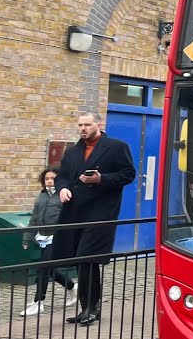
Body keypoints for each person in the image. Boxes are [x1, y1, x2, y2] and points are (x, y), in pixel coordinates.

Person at [55, 112, 136, 326]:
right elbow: (61, 175)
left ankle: (92, 307)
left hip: (101, 212)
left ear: (98, 124)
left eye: (87, 124)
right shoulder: (73, 151)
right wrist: (62, 188)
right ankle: (88, 308)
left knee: (88, 256)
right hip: (76, 211)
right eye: (80, 125)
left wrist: (102, 179)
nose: (83, 128)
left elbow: (128, 174)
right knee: (82, 260)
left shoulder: (117, 147)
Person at [20, 168, 78, 316]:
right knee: (50, 269)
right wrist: (27, 237)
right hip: (42, 236)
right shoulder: (42, 196)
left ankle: (38, 302)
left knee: (43, 269)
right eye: (47, 178)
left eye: (53, 178)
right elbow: (34, 218)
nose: (50, 181)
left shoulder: (64, 195)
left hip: (56, 237)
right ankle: (72, 287)